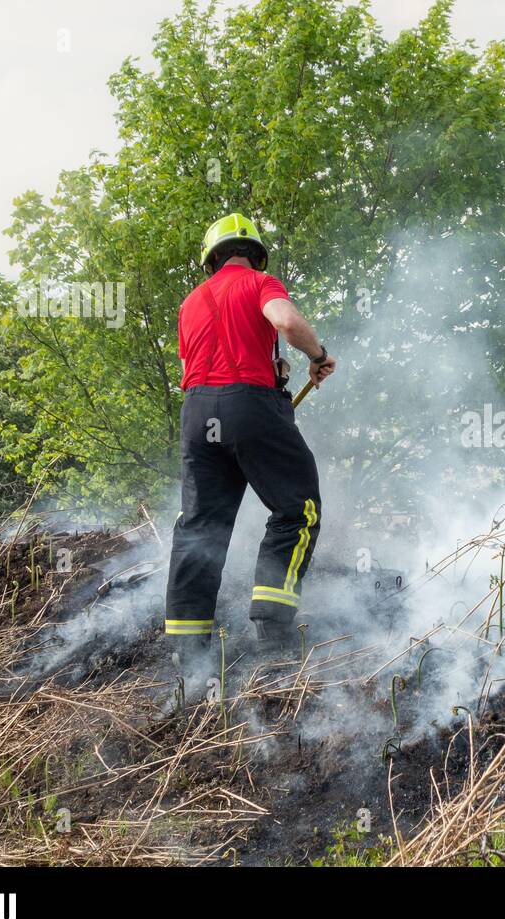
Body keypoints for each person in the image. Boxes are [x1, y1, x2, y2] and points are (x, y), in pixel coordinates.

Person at [164, 213, 336, 652]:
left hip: (198, 413)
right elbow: (288, 323)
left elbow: (198, 368)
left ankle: (189, 651)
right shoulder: (260, 284)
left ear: (212, 259)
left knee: (200, 528)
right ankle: (273, 629)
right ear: (254, 257)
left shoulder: (190, 302)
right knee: (299, 510)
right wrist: (318, 355)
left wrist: (270, 368)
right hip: (249, 408)